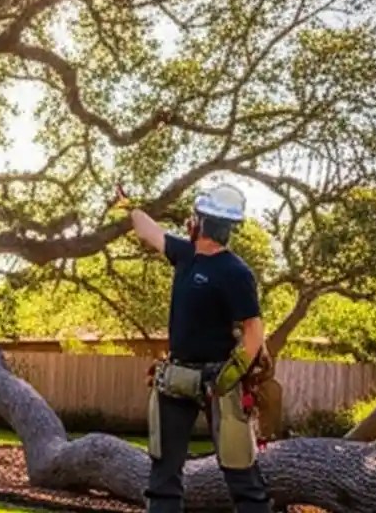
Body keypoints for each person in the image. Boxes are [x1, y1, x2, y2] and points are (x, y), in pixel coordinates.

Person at [117, 183, 272, 513]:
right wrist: (128, 206)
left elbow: (254, 331)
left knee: (240, 470)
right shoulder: (186, 255)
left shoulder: (236, 272)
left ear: (202, 222)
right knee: (163, 475)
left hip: (220, 383)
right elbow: (149, 232)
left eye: (194, 216)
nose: (190, 221)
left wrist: (233, 374)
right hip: (176, 379)